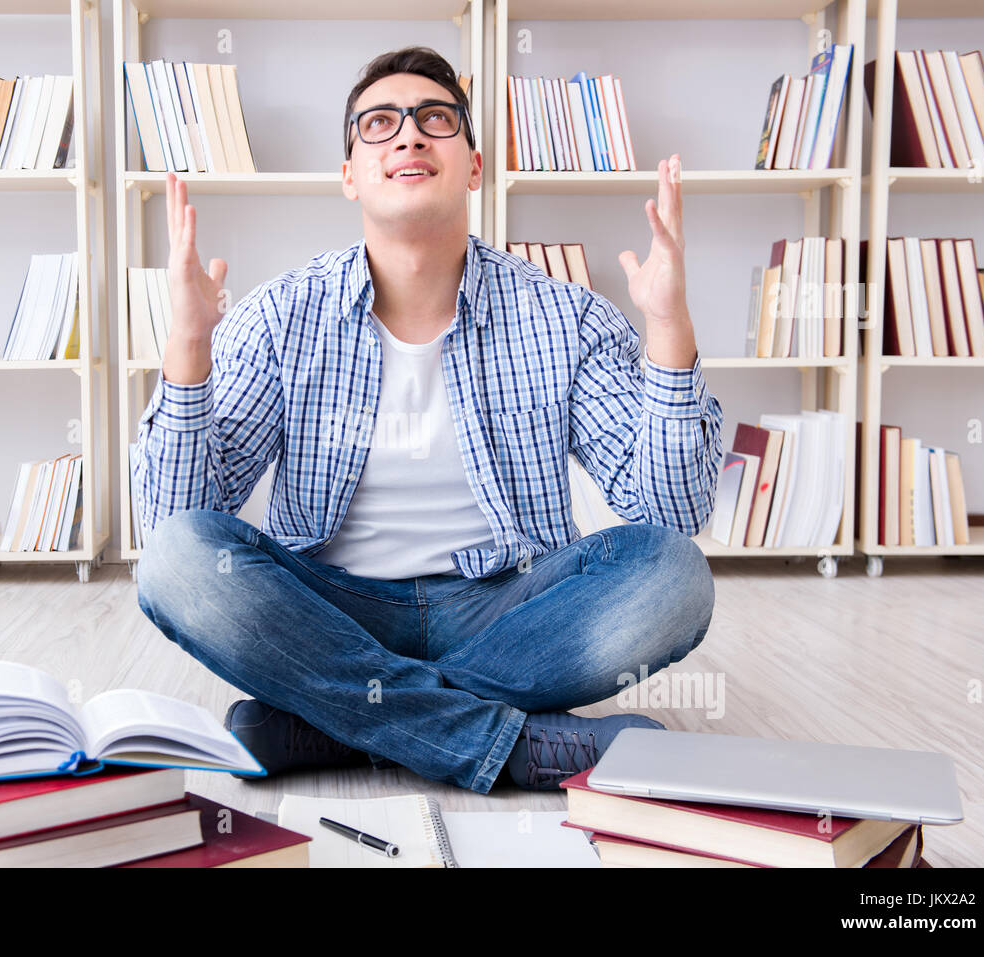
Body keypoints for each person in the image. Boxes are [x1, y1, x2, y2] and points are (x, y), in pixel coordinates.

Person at [134, 46, 723, 793]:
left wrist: (669, 329)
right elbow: (173, 521)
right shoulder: (283, 315)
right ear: (350, 174)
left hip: (506, 610)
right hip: (329, 610)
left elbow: (671, 513)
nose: (409, 135)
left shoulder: (563, 316)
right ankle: (507, 746)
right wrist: (188, 348)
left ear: (473, 165)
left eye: (435, 119)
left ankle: (330, 720)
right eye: (379, 123)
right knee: (181, 559)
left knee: (672, 575)